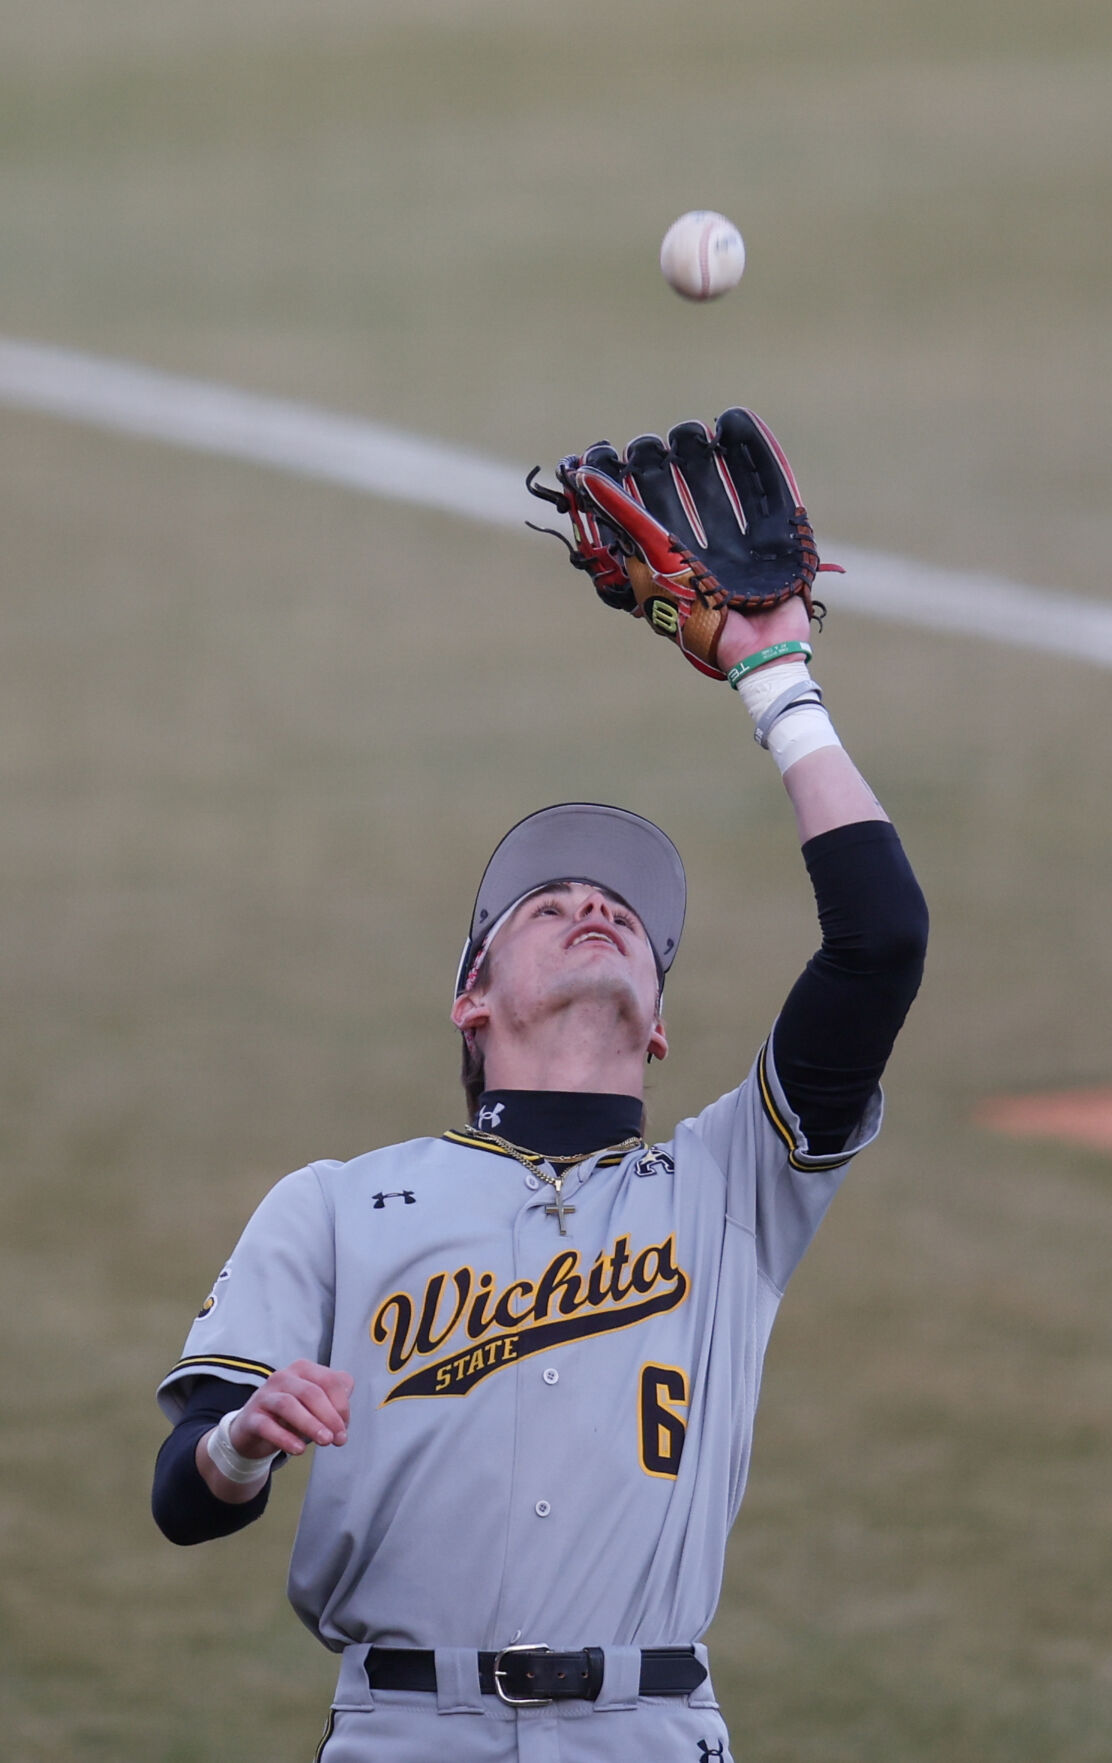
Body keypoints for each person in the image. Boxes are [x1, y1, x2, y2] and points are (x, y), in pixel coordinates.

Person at [152, 415, 928, 1763]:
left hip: (652, 1728)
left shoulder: (732, 1186)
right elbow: (185, 1496)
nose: (596, 910)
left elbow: (883, 943)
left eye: (627, 915)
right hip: (404, 1731)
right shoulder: (338, 1208)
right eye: (551, 903)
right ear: (470, 998)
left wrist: (775, 676)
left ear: (664, 1027)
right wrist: (243, 1446)